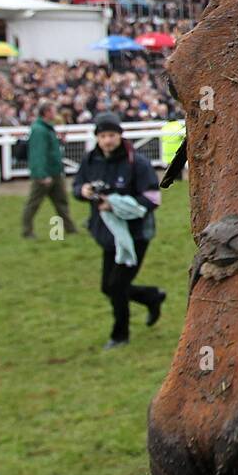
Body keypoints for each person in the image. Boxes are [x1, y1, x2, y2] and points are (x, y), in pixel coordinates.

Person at [74, 112, 166, 349]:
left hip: (135, 235)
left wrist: (117, 204)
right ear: (97, 137)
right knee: (108, 286)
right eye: (103, 135)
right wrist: (82, 191)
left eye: (112, 135)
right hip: (108, 234)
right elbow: (76, 186)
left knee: (116, 286)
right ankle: (151, 297)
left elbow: (153, 198)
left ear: (120, 136)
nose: (107, 140)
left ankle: (120, 335)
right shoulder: (89, 160)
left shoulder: (138, 162)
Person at [21, 102, 78, 240]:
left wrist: (60, 141)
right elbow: (38, 154)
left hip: (55, 171)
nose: (56, 114)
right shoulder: (39, 130)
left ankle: (70, 229)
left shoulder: (47, 128)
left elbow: (50, 148)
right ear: (46, 112)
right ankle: (27, 231)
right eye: (53, 111)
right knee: (34, 203)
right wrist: (41, 175)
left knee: (61, 201)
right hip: (46, 173)